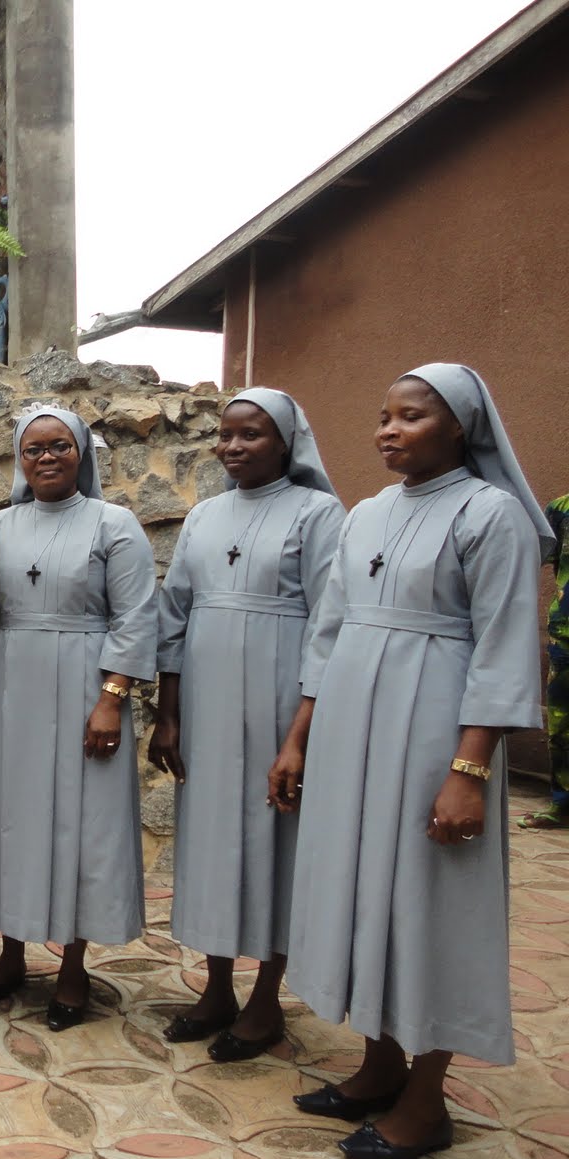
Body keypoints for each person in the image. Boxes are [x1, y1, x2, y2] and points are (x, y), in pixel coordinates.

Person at [274, 364, 550, 1159]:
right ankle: (378, 1066)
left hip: (433, 732)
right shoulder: (366, 514)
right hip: (352, 730)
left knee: (428, 903)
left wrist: (470, 773)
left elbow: (503, 648)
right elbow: (326, 636)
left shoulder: (490, 513)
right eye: (383, 417)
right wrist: (298, 739)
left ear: (461, 426)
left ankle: (426, 1102)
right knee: (366, 891)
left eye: (411, 417)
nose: (388, 431)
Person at [149, 389, 344, 1060]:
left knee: (273, 845)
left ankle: (267, 998)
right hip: (205, 704)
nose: (233, 446)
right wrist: (166, 713)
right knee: (209, 845)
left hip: (278, 700)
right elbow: (174, 613)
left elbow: (330, 623)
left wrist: (302, 729)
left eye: (251, 435)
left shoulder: (319, 514)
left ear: (287, 441)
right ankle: (217, 987)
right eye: (226, 435)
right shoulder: (204, 515)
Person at [0, 407, 157, 1030]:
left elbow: (135, 616)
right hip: (10, 684)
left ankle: (73, 967)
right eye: (33, 449)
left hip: (85, 688)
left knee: (82, 822)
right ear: (19, 460)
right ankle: (12, 956)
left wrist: (113, 696)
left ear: (82, 455)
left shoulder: (114, 524)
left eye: (59, 446)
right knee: (10, 818)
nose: (46, 458)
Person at [520, 490, 569, 828]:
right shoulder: (560, 509)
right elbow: (542, 560)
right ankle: (562, 805)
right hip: (565, 633)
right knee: (562, 724)